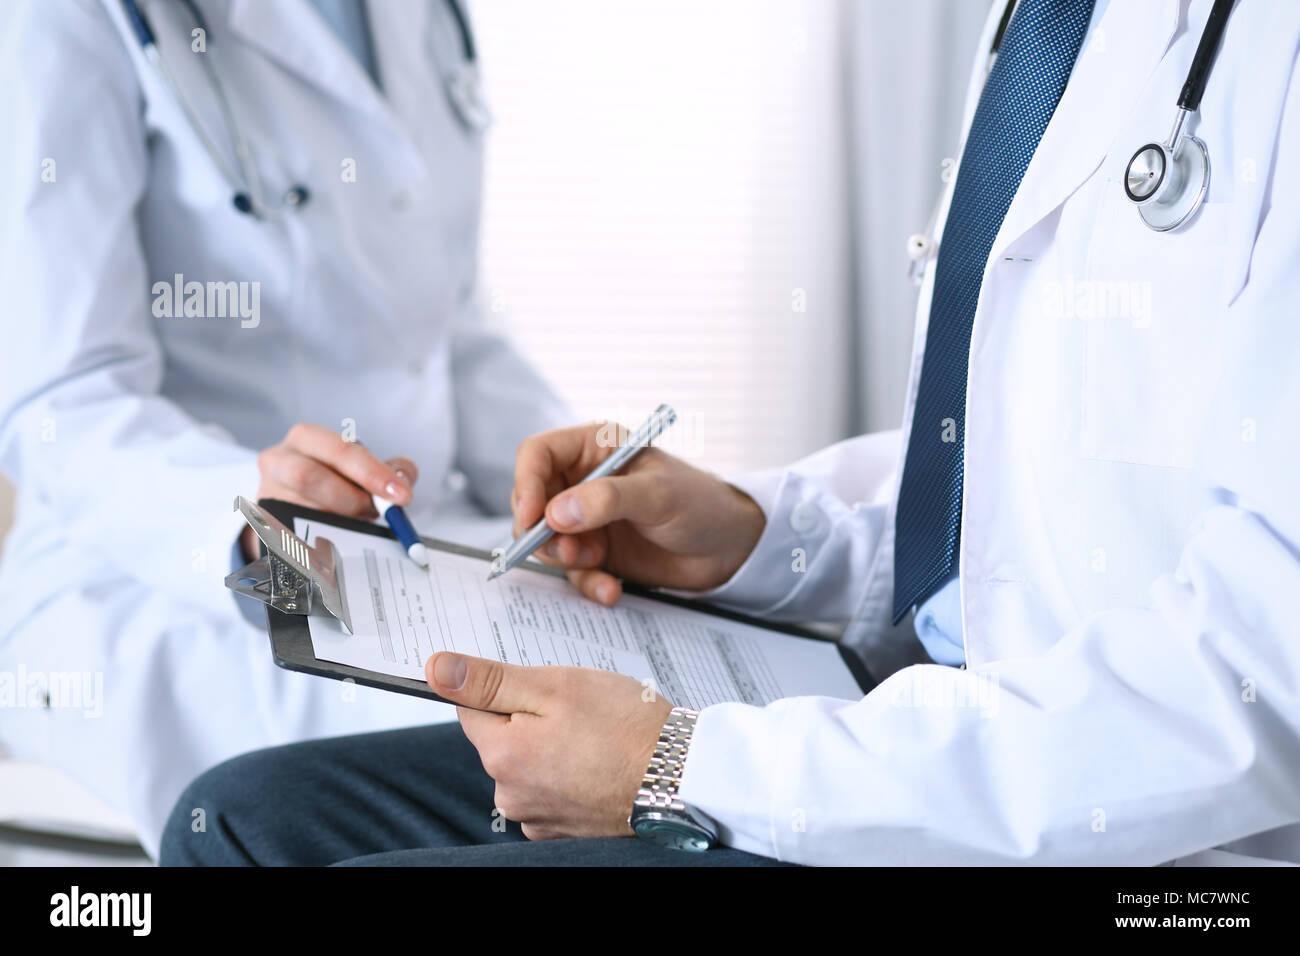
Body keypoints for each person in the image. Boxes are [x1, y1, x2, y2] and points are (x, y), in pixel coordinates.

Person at [163, 0, 1300, 866]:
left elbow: (1261, 674)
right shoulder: (1060, 20)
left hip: (1116, 820)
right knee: (242, 820)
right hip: (917, 705)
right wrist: (757, 535)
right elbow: (1019, 483)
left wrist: (678, 761)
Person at [0, 0, 569, 858]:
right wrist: (242, 518)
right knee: (537, 736)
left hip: (423, 546)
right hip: (157, 583)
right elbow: (62, 399)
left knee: (646, 667)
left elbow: (444, 328)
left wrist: (564, 487)